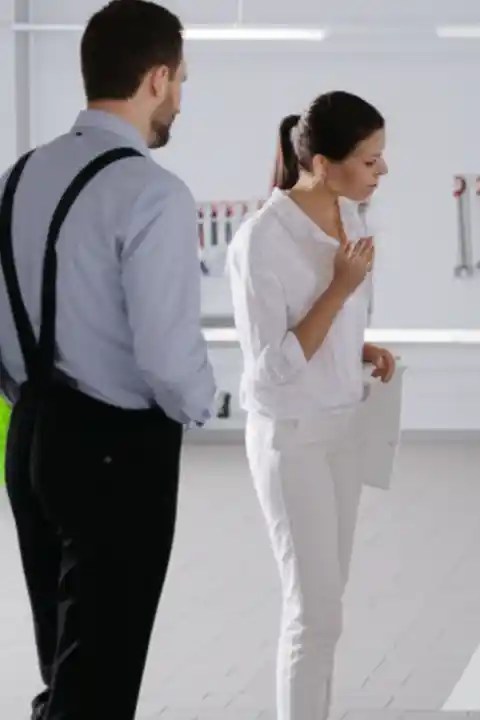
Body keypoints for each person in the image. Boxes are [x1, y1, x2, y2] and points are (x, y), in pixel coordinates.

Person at [0, 1, 216, 717]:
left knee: (63, 658)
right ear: (156, 78)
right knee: (100, 675)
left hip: (30, 433)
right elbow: (167, 354)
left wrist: (25, 394)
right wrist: (200, 405)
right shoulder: (154, 192)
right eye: (180, 80)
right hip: (118, 454)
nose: (179, 98)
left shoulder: (20, 176)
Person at [226, 91, 393, 720]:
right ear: (323, 164)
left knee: (330, 609)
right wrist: (339, 292)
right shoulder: (261, 241)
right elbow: (268, 373)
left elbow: (320, 331)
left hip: (343, 428)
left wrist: (357, 345)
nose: (381, 172)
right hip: (290, 438)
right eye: (371, 161)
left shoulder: (356, 220)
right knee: (312, 613)